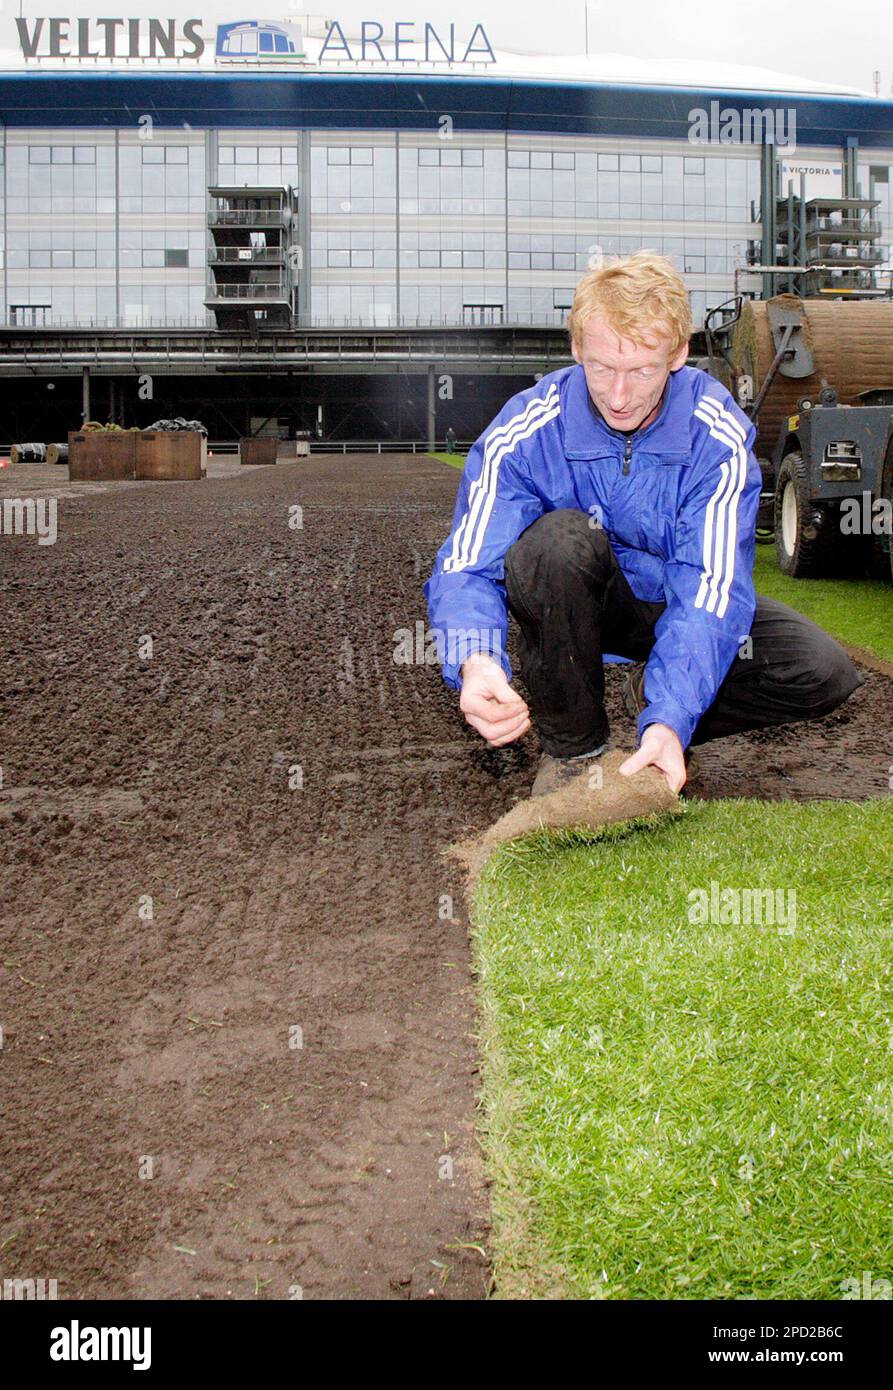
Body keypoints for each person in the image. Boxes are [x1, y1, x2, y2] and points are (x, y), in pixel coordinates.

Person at [424, 251, 863, 797]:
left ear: (678, 354)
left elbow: (711, 588)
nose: (618, 395)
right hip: (587, 603)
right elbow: (468, 563)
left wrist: (670, 716)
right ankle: (574, 754)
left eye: (642, 371)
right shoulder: (529, 425)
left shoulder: (716, 434)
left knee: (821, 669)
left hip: (679, 599)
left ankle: (650, 711)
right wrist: (475, 661)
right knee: (553, 544)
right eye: (603, 367)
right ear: (576, 348)